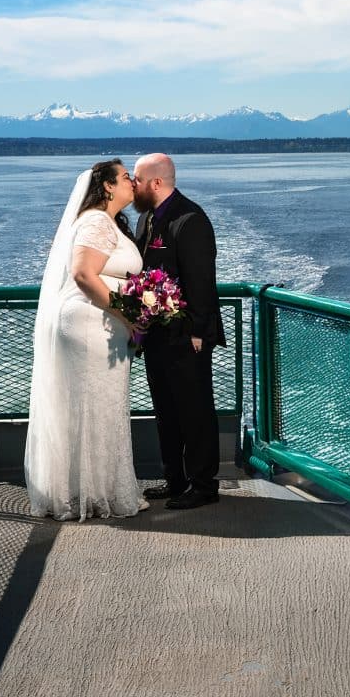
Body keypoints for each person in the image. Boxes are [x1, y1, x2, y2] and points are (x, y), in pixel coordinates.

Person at [24, 160, 147, 521]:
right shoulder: (95, 221)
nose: (133, 181)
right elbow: (82, 273)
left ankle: (90, 490)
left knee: (97, 405)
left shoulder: (107, 223)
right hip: (89, 326)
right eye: (126, 177)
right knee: (93, 405)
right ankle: (89, 495)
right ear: (107, 186)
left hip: (99, 326)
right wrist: (128, 315)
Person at [132, 153, 224, 510]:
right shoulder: (146, 220)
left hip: (189, 337)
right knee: (166, 411)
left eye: (138, 179)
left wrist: (198, 332)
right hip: (156, 335)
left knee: (195, 412)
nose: (133, 186)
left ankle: (203, 485)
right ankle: (175, 481)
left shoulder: (191, 220)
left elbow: (201, 281)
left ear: (156, 182)